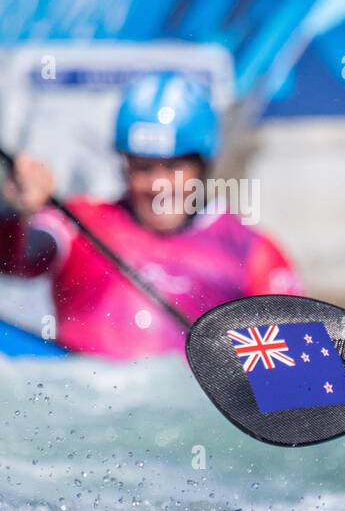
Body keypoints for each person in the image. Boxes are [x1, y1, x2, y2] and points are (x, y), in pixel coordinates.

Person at [0, 72, 300, 359]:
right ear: (124, 166)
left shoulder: (253, 253)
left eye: (173, 168)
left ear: (203, 166)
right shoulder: (78, 223)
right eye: (143, 168)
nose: (159, 186)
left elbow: (304, 382)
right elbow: (16, 260)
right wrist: (18, 211)